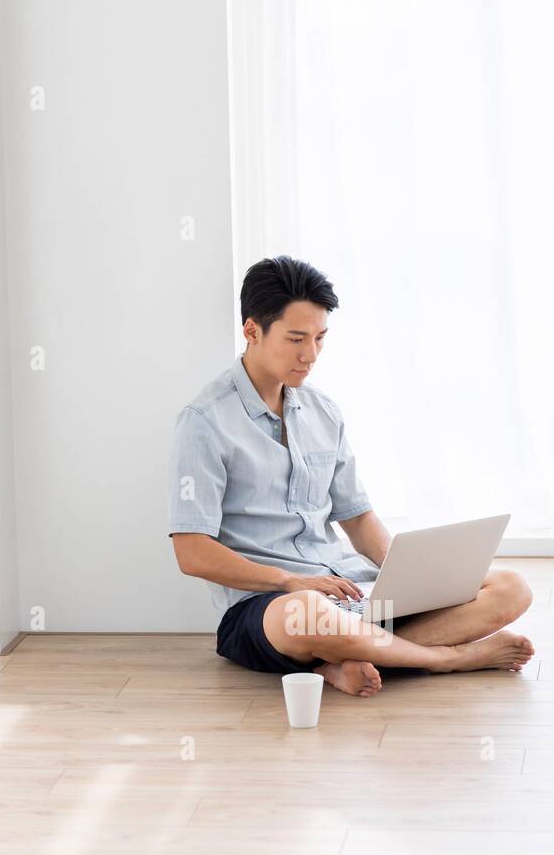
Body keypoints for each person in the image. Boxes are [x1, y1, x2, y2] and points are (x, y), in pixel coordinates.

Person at [168, 255, 533, 698]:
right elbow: (192, 553)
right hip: (269, 608)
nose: (311, 355)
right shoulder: (204, 421)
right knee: (305, 612)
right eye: (296, 339)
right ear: (252, 331)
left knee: (509, 587)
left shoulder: (323, 411)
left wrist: (414, 580)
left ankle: (335, 662)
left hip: (348, 590)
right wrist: (289, 581)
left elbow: (358, 521)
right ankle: (448, 658)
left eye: (321, 338)